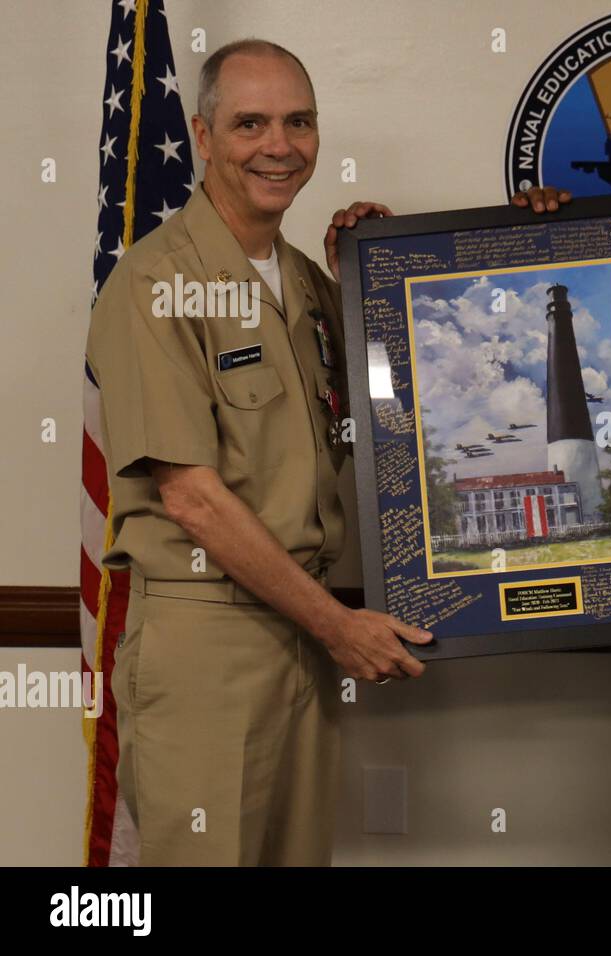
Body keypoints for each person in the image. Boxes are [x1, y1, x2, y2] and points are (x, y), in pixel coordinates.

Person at [88, 38, 431, 866]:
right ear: (203, 137)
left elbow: (397, 417)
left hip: (302, 637)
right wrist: (339, 628)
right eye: (250, 124)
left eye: (298, 122)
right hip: (211, 644)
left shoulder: (308, 281)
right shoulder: (155, 281)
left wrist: (369, 287)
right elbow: (192, 498)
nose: (279, 146)